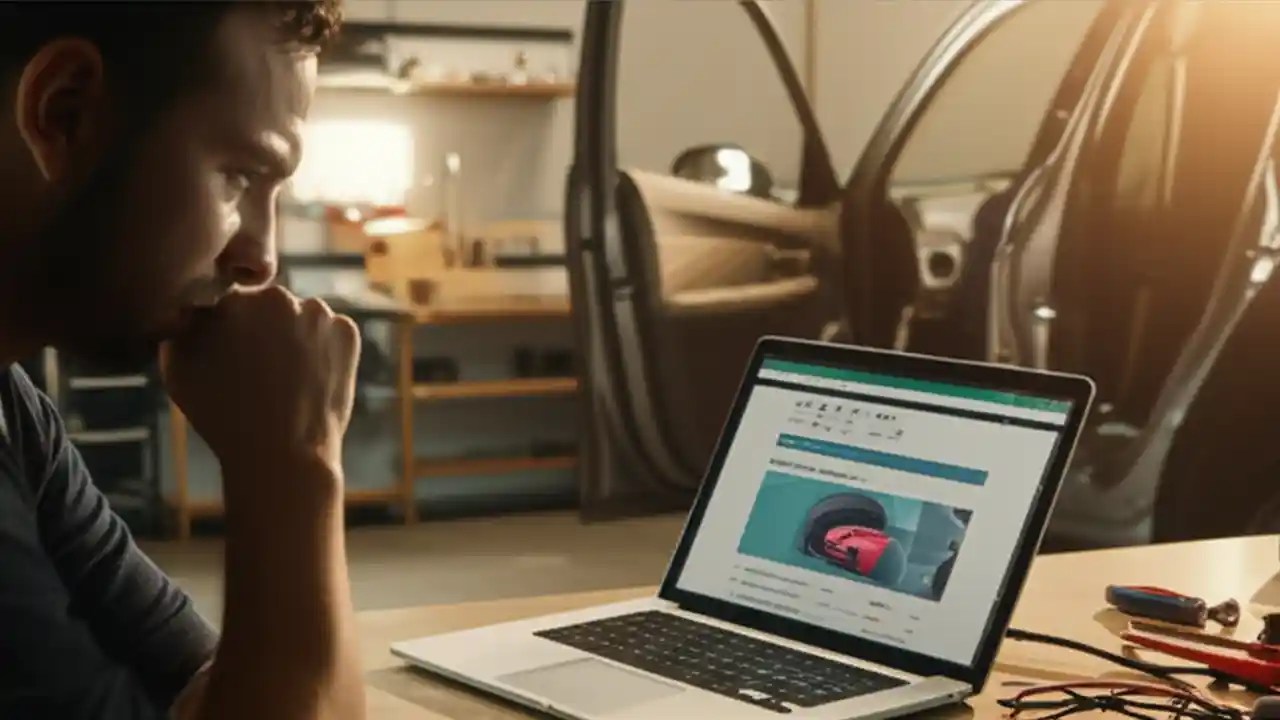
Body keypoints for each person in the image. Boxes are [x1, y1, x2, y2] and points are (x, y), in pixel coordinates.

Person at [0, 2, 368, 718]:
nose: (263, 260)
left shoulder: (15, 413)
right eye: (239, 177)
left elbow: (225, 682)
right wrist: (293, 466)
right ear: (64, 111)